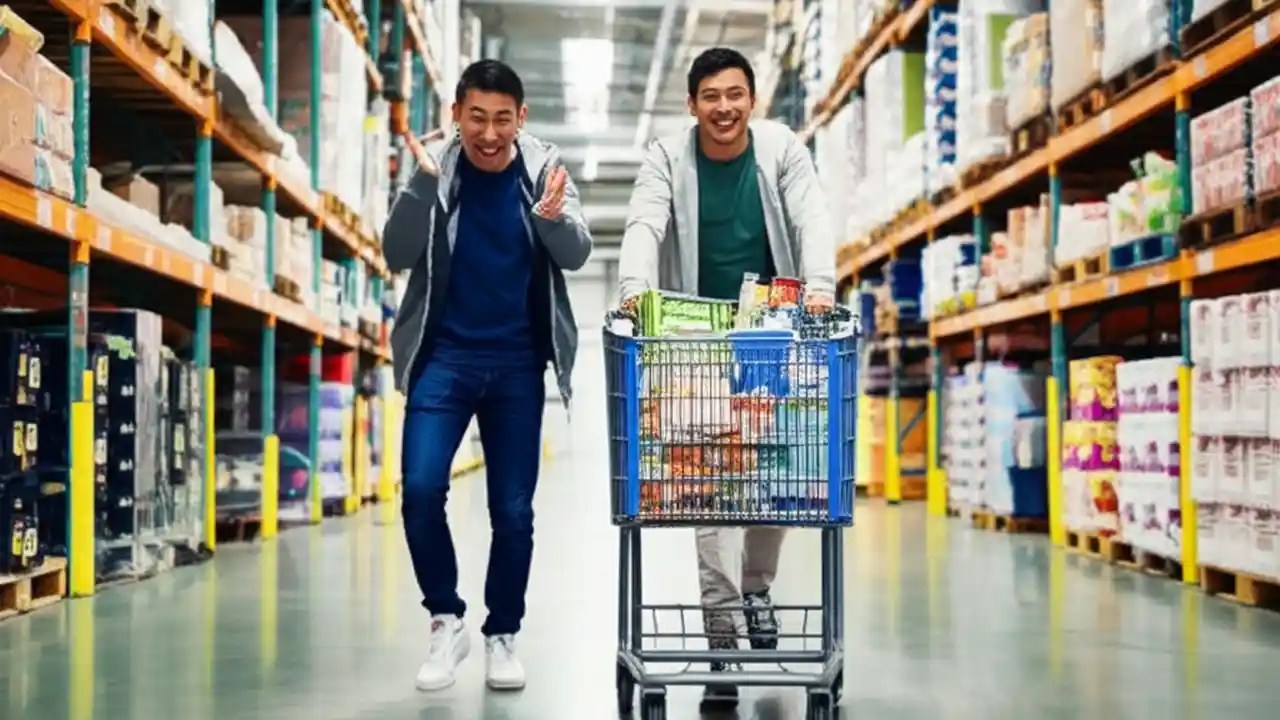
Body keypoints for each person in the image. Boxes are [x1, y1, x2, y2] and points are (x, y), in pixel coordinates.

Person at [616, 47, 835, 706]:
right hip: (695, 342)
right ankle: (721, 633)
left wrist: (820, 285)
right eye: (711, 96)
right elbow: (644, 221)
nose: (724, 107)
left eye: (735, 94)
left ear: (753, 98)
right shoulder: (666, 156)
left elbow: (812, 214)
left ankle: (757, 587)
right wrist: (632, 287)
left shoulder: (780, 149)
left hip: (771, 332)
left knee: (777, 476)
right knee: (707, 488)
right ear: (692, 105)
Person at [381, 59, 592, 693]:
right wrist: (418, 189)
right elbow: (394, 255)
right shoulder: (434, 168)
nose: (490, 133)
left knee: (514, 511)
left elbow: (577, 253)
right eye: (478, 117)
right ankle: (446, 620)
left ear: (521, 119)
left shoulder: (546, 171)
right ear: (457, 115)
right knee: (419, 490)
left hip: (517, 366)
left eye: (503, 119)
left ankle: (504, 631)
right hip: (444, 359)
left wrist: (553, 218)